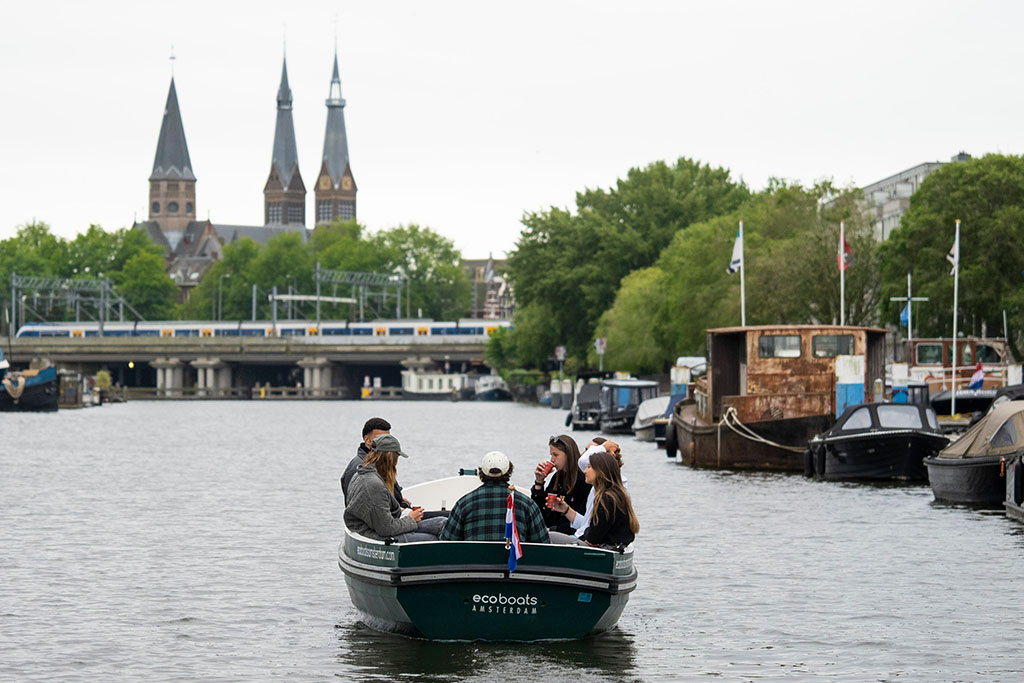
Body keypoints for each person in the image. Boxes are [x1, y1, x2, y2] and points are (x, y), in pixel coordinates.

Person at [344, 434, 445, 542]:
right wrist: (411, 518)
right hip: (374, 535)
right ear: (390, 457)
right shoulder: (374, 485)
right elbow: (386, 528)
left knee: (442, 522)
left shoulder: (360, 474)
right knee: (435, 536)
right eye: (396, 457)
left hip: (371, 528)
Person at [440, 451, 549, 543]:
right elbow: (543, 544)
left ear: (481, 472)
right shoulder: (527, 504)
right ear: (509, 471)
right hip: (514, 567)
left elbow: (446, 542)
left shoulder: (464, 504)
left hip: (474, 566)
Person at [550, 438, 626, 542]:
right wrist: (567, 510)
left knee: (548, 536)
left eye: (589, 467)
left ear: (601, 466)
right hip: (581, 537)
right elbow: (586, 524)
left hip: (586, 542)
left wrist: (604, 447)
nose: (585, 471)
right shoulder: (597, 489)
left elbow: (582, 461)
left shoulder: (609, 495)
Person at [342, 417, 409, 508]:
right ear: (367, 440)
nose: (386, 442)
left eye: (387, 438)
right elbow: (357, 506)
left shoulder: (381, 463)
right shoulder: (357, 469)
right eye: (380, 438)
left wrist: (400, 502)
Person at [531, 435, 590, 535]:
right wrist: (539, 483)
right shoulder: (557, 477)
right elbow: (541, 512)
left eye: (555, 455)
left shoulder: (584, 481)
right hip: (551, 532)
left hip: (571, 535)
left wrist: (553, 530)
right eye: (551, 455)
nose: (552, 460)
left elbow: (583, 521)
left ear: (568, 454)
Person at [578, 450, 638, 548]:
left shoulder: (606, 499)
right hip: (615, 546)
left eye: (589, 467)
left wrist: (587, 531)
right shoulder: (618, 495)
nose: (585, 471)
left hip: (604, 549)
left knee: (551, 537)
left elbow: (592, 538)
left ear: (600, 471)